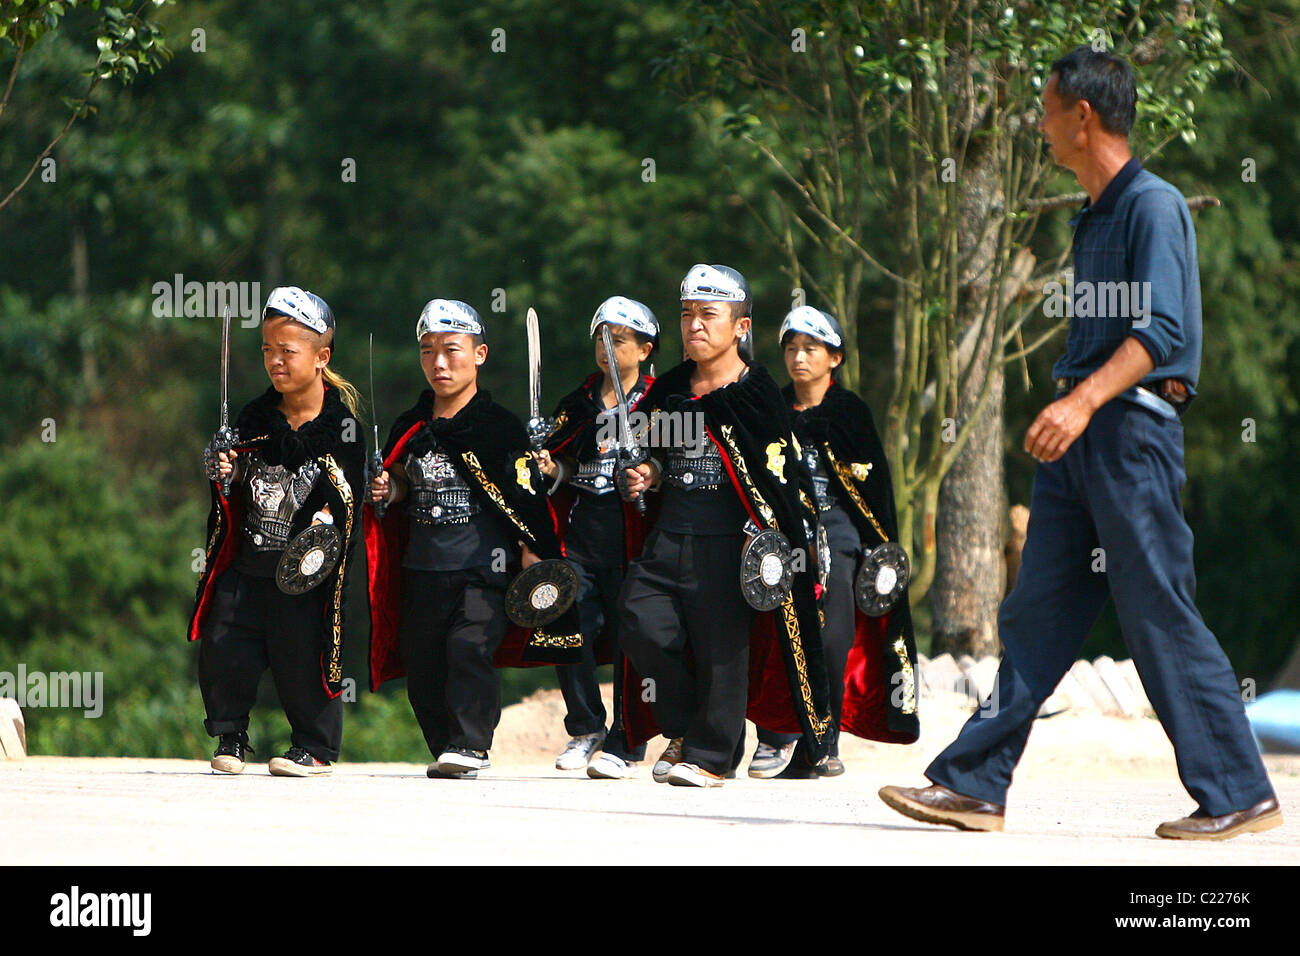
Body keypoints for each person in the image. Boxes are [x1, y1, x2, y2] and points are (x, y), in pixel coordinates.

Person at [879, 46, 1281, 840]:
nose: (1039, 122)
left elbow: (1160, 331)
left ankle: (1239, 791)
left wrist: (1084, 402)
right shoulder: (1091, 216)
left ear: (1082, 116)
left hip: (1129, 434)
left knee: (1159, 611)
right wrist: (1071, 407)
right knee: (1037, 616)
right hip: (1082, 440)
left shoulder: (1153, 206)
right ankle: (975, 784)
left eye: (1046, 107)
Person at [618, 263, 833, 787]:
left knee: (722, 651)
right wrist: (649, 470)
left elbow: (780, 479)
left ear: (740, 326)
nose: (694, 325)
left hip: (733, 544)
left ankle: (713, 758)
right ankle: (688, 726)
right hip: (670, 533)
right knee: (636, 617)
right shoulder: (668, 391)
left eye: (708, 315)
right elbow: (655, 450)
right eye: (687, 314)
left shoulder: (757, 394)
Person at [365, 299, 582, 778]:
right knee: (422, 663)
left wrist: (533, 551)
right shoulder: (411, 426)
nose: (439, 363)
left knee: (469, 646)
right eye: (428, 351)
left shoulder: (499, 428)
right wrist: (390, 487)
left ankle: (471, 743)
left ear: (480, 354)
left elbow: (525, 501)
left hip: (486, 570)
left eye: (451, 350)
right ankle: (448, 747)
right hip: (423, 567)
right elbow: (399, 482)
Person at [191, 286, 366, 777]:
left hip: (303, 572)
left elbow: (346, 498)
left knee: (300, 653)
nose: (275, 361)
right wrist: (224, 472)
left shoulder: (344, 428)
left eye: (287, 351)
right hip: (249, 560)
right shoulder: (253, 418)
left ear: (320, 356)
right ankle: (231, 735)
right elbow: (235, 490)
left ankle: (313, 746)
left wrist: (323, 525)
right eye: (268, 349)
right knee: (225, 638)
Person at [750, 306, 921, 779]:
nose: (798, 358)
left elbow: (873, 487)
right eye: (790, 348)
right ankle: (773, 735)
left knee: (835, 635)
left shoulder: (850, 413)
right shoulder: (771, 410)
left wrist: (877, 550)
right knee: (774, 633)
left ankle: (821, 742)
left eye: (810, 349)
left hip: (840, 531)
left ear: (835, 358)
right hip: (783, 534)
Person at [531, 297, 657, 778]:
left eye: (618, 339)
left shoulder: (661, 403)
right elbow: (564, 464)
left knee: (632, 635)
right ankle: (585, 726)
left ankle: (627, 740)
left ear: (644, 349)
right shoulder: (576, 404)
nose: (606, 348)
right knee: (566, 619)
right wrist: (551, 467)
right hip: (581, 532)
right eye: (600, 338)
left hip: (635, 537)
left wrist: (648, 472)